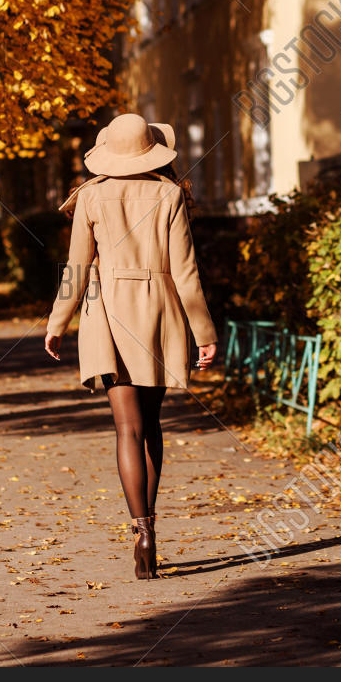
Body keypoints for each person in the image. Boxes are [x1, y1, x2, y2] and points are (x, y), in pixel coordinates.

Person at [44, 113, 217, 580]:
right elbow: (185, 271)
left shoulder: (91, 196)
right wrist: (205, 333)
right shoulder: (169, 195)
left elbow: (77, 269)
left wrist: (58, 321)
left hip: (106, 315)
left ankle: (139, 528)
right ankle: (153, 523)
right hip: (159, 314)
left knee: (126, 430)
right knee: (152, 426)